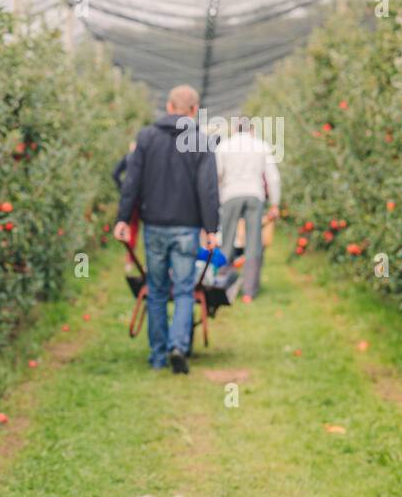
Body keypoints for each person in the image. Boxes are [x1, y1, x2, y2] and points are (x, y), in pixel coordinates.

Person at [113, 85, 220, 374]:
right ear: (194, 110)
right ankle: (178, 345)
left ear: (169, 107)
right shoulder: (200, 141)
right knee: (185, 290)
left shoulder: (147, 138)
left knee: (157, 290)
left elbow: (132, 182)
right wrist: (211, 229)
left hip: (155, 226)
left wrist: (123, 219)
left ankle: (158, 356)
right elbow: (208, 189)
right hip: (187, 227)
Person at [216, 118, 280, 299]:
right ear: (251, 129)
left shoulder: (224, 146)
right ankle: (249, 292)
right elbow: (273, 178)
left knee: (227, 240)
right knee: (253, 242)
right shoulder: (261, 146)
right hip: (254, 194)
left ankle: (222, 285)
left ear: (235, 129)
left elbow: (217, 175)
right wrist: (275, 203)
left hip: (231, 194)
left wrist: (218, 198)